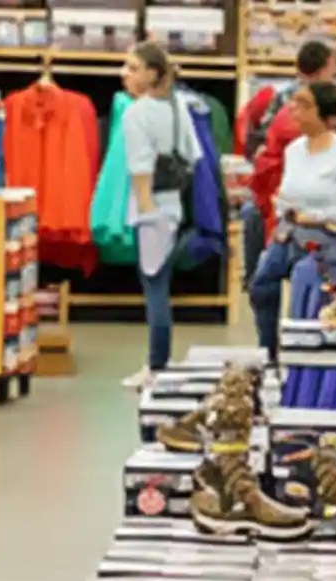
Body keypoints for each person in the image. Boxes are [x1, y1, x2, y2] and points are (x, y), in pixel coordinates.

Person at [249, 81, 336, 359]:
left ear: (327, 117)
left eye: (305, 106)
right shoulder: (294, 151)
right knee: (261, 285)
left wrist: (317, 216)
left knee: (307, 283)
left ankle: (302, 355)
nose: (294, 111)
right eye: (295, 104)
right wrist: (284, 209)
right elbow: (288, 196)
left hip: (330, 238)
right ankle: (269, 354)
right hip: (290, 230)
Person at [119, 41, 203, 389]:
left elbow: (140, 167)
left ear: (153, 74)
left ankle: (157, 366)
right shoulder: (179, 107)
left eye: (133, 68)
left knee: (154, 289)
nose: (125, 74)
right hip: (175, 205)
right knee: (161, 286)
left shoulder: (135, 113)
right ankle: (159, 362)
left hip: (151, 207)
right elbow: (193, 155)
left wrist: (146, 209)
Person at [236, 41, 336, 286]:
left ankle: (254, 278)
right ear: (325, 68)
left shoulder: (283, 97)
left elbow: (258, 142)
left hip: (281, 190)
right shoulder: (332, 102)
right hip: (296, 192)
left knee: (253, 214)